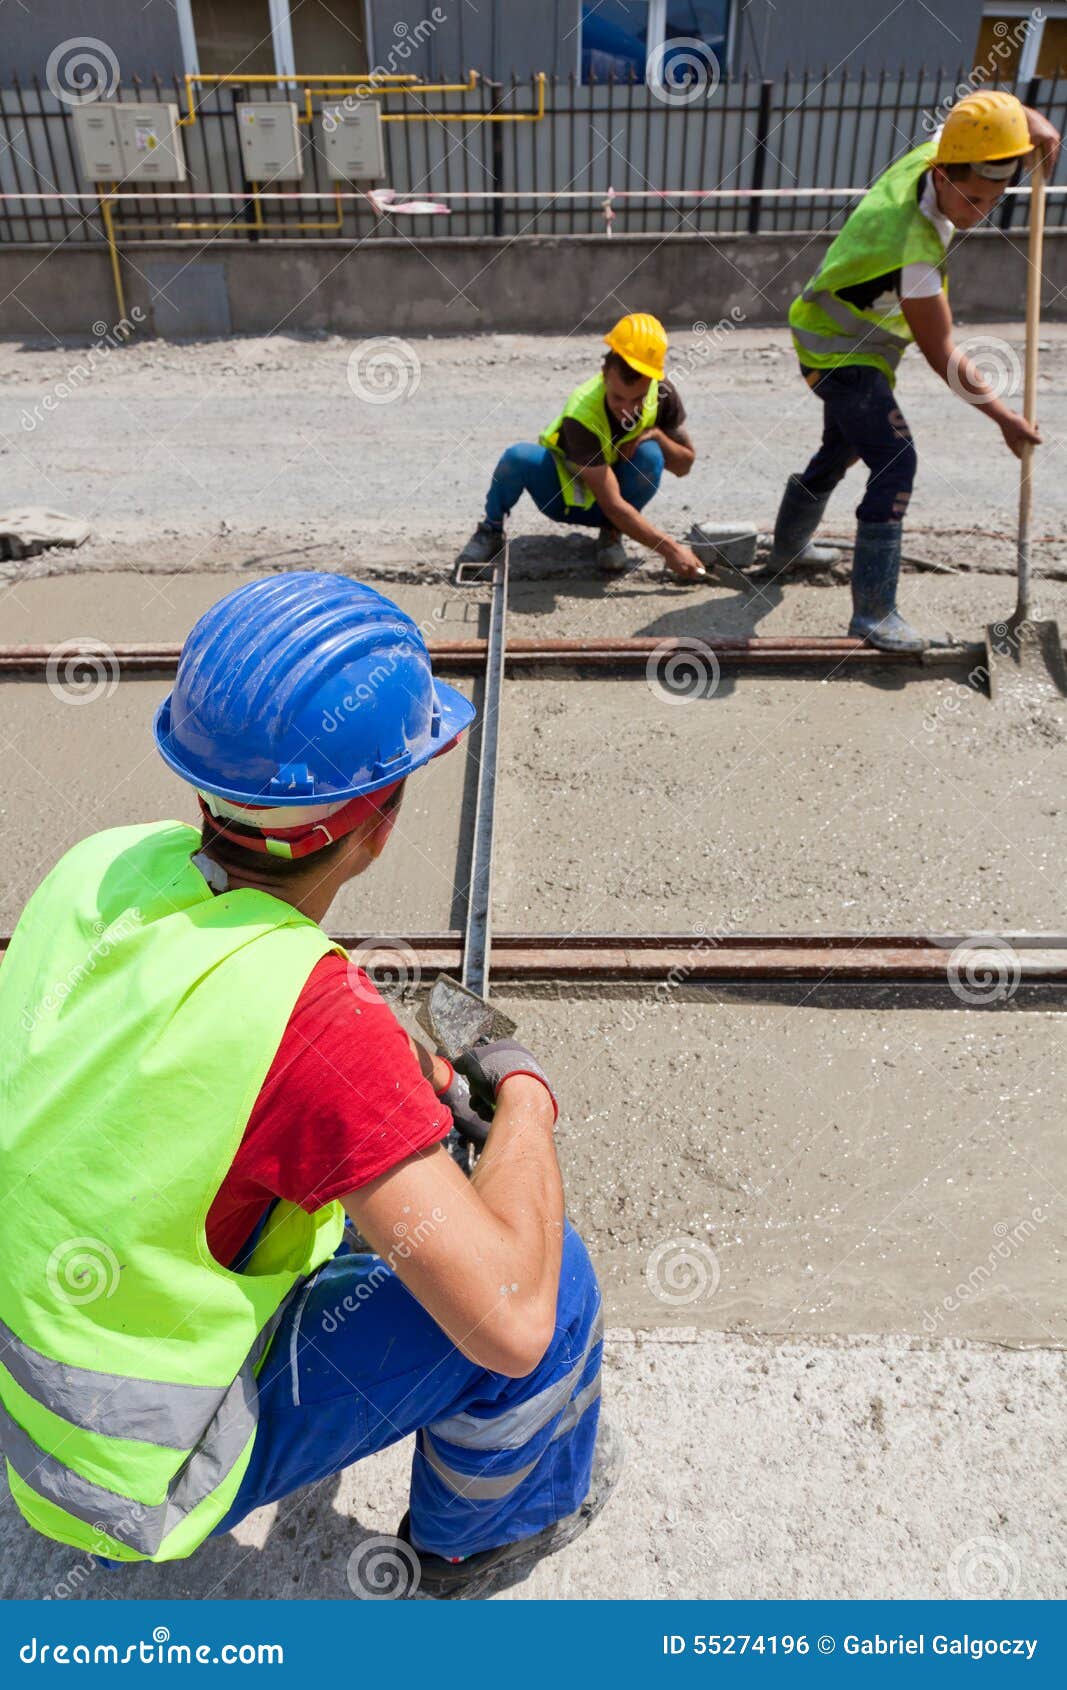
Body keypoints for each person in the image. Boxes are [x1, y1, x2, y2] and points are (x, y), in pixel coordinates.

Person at [0, 573, 616, 1599]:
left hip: (32, 1387)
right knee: (549, 1287)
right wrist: (527, 1104)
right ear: (378, 821)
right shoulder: (314, 1028)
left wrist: (380, 1070)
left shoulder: (102, 865)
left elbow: (191, 1021)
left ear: (201, 783)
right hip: (132, 1478)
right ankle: (481, 1540)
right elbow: (508, 1317)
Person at [769, 89, 1060, 651]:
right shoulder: (912, 248)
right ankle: (874, 614)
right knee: (894, 458)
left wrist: (1037, 126)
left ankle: (788, 550)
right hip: (836, 351)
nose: (979, 214)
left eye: (994, 202)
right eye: (972, 199)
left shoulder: (941, 150)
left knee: (844, 446)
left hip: (859, 343)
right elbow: (942, 352)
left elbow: (985, 111)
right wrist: (1003, 418)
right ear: (944, 176)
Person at [457, 312, 706, 581]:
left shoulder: (662, 393)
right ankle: (490, 531)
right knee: (517, 458)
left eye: (638, 399)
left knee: (651, 455)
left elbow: (684, 466)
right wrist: (669, 548)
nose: (628, 410)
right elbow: (611, 503)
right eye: (618, 398)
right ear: (605, 374)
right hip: (564, 497)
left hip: (614, 505)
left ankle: (611, 535)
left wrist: (657, 435)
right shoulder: (582, 414)